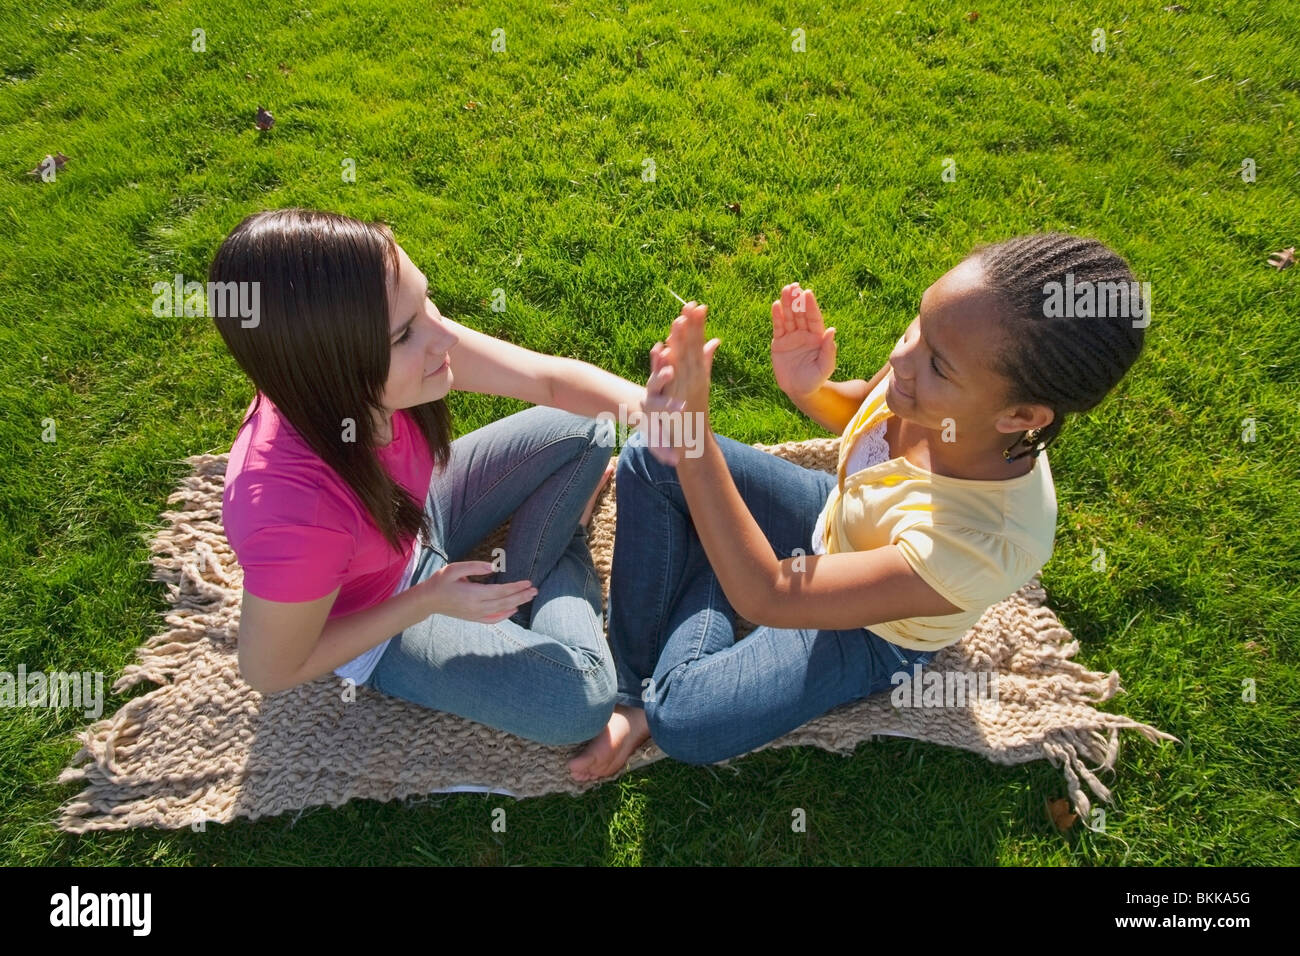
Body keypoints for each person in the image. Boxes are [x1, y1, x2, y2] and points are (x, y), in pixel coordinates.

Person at [570, 233, 1148, 778]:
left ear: (1020, 418)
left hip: (873, 627)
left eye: (937, 364)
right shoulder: (932, 379)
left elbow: (769, 594)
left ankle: (703, 588)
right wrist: (807, 386)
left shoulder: (983, 540)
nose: (903, 358)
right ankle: (633, 689)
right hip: (836, 520)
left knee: (685, 722)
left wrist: (695, 439)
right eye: (920, 323)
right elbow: (863, 417)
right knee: (652, 454)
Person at [212, 208, 655, 746]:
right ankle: (562, 545)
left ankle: (530, 564)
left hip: (415, 514)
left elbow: (550, 380)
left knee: (589, 425)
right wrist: (425, 601)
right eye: (404, 334)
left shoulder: (386, 361)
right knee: (581, 700)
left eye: (425, 301)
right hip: (386, 619)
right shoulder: (291, 514)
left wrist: (660, 410)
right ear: (331, 366)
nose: (444, 335)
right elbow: (270, 670)